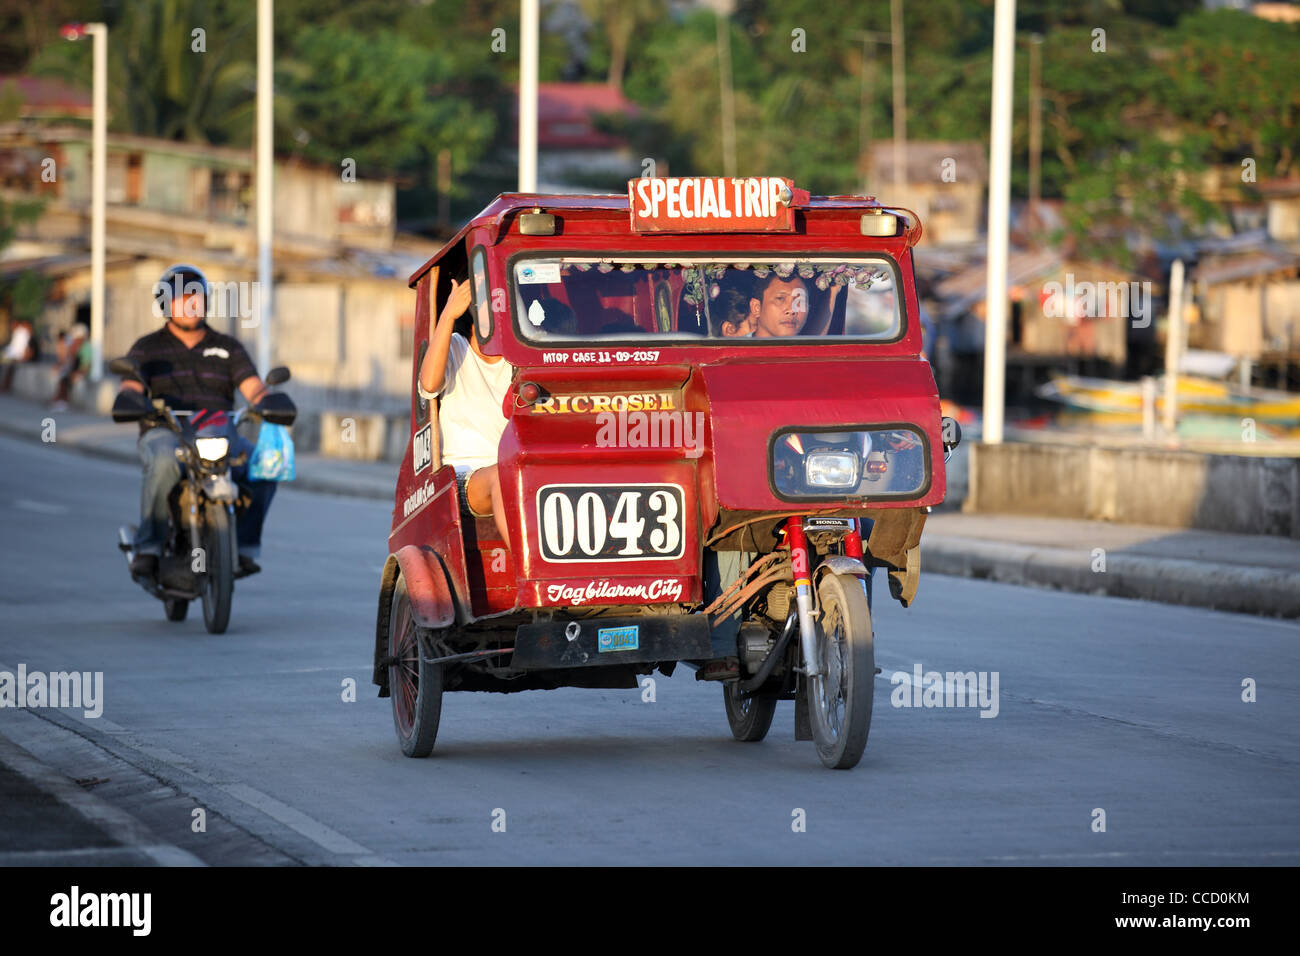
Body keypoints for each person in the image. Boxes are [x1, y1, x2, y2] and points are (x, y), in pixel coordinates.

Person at [117, 264, 278, 580]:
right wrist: (129, 400)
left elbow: (253, 388)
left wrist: (270, 402)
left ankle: (244, 546)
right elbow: (131, 386)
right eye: (181, 297)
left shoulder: (228, 346)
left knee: (264, 465)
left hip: (218, 431)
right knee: (163, 462)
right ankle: (149, 546)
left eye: (197, 297)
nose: (192, 303)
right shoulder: (148, 348)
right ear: (166, 304)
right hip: (166, 432)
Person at [417, 277, 513, 547]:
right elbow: (429, 383)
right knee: (502, 476)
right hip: (465, 477)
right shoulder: (456, 347)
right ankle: (529, 575)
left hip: (514, 467)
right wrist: (449, 313)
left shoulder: (517, 359)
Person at [51, 322, 90, 410]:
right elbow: (68, 361)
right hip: (73, 371)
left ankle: (63, 400)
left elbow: (86, 366)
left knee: (66, 379)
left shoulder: (87, 348)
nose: (76, 340)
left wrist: (77, 373)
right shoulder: (74, 347)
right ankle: (60, 400)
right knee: (62, 377)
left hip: (81, 373)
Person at [0, 319, 36, 392]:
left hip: (22, 358)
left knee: (10, 365)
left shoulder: (26, 336)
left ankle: (5, 386)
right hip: (16, 357)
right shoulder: (20, 334)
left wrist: (19, 358)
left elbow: (27, 352)